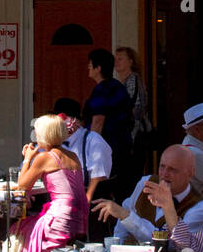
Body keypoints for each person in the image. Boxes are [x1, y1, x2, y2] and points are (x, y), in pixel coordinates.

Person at [11, 114, 88, 252]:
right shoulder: (73, 155)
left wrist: (27, 159)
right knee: (27, 226)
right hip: (79, 216)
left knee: (18, 231)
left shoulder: (45, 157)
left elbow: (22, 186)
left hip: (61, 217)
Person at [83, 48, 134, 197]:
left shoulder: (103, 90)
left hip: (107, 148)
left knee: (101, 192)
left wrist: (90, 150)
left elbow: (98, 121)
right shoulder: (117, 86)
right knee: (121, 192)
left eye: (90, 64)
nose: (88, 67)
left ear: (98, 68)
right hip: (122, 146)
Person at [53, 97, 112, 203]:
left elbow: (99, 177)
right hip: (55, 198)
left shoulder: (93, 140)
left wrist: (85, 203)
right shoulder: (50, 141)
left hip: (86, 198)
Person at [114, 46, 153, 156]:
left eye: (120, 59)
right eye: (115, 59)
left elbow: (136, 110)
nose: (116, 62)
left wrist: (129, 139)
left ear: (130, 61)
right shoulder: (122, 81)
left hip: (134, 135)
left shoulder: (133, 80)